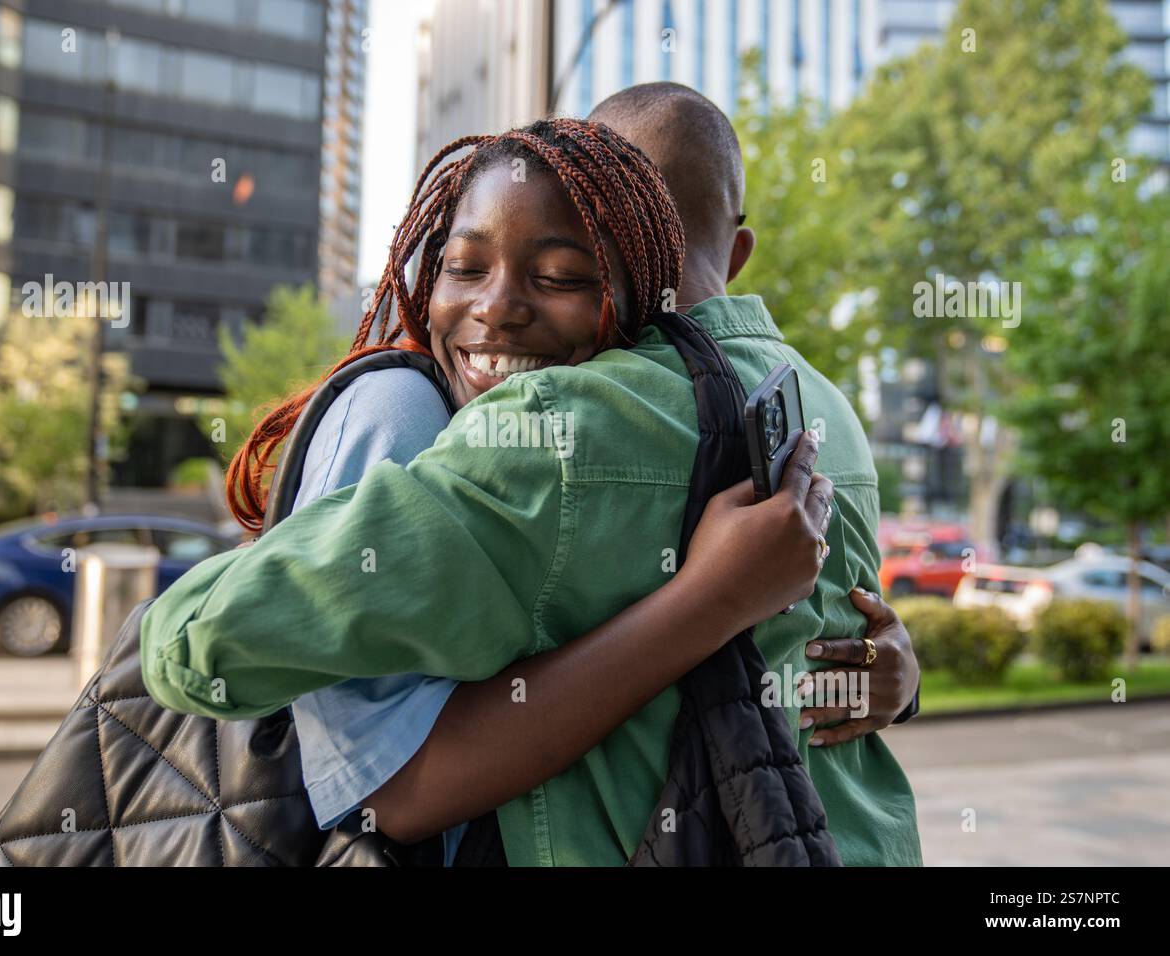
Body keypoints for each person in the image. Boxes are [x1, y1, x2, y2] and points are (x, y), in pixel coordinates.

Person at [142, 110, 921, 866]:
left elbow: (197, 641)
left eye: (559, 273)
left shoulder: (556, 424)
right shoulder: (829, 410)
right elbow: (832, 663)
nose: (500, 308)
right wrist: (878, 673)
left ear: (617, 255)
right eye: (465, 265)